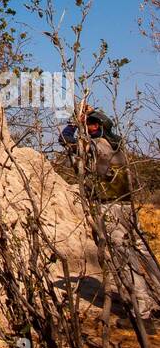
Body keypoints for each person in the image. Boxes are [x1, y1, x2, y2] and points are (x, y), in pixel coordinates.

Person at [60, 109, 160, 332]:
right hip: (127, 206)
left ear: (103, 126)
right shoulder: (118, 146)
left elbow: (65, 140)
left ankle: (141, 315)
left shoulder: (97, 147)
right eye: (89, 124)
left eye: (94, 124)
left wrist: (74, 122)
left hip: (111, 208)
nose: (90, 127)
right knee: (143, 253)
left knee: (125, 259)